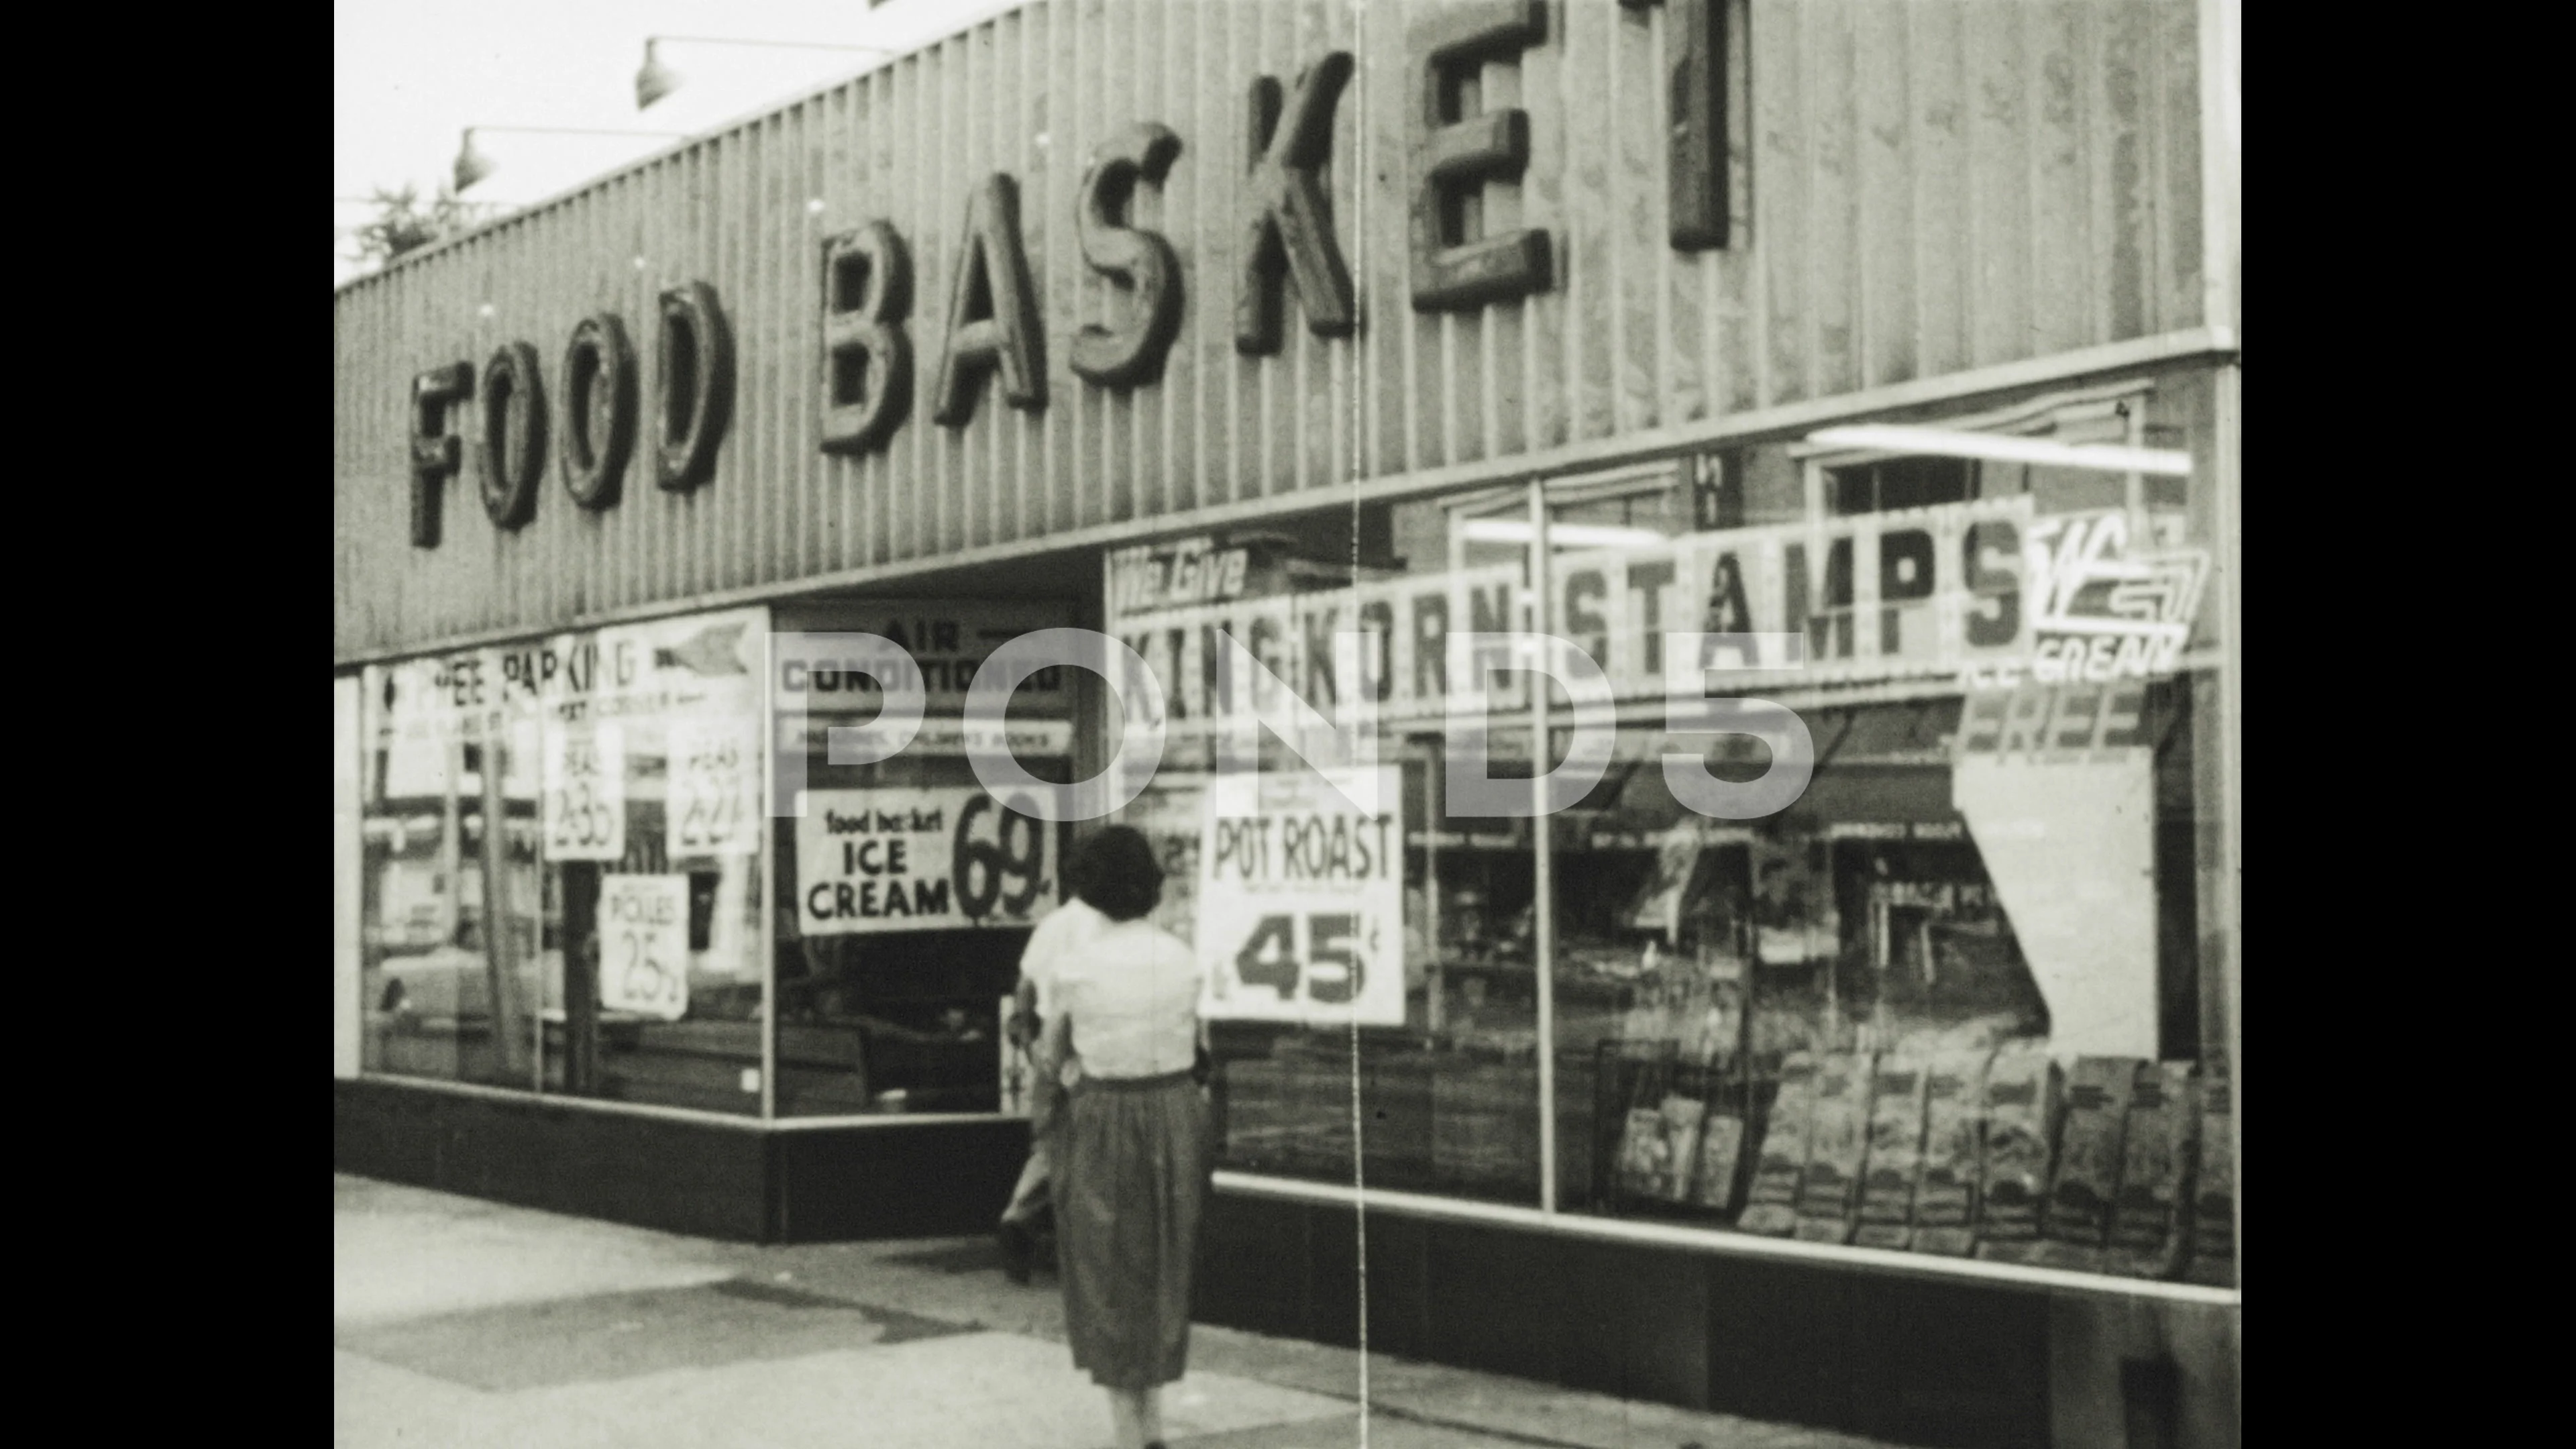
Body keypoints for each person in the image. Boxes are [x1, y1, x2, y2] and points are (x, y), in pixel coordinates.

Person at [1030, 826, 1211, 1449]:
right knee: (1166, 1265)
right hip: (1176, 1113)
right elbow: (1200, 1047)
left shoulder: (1075, 967)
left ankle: (1127, 1430)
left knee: (1107, 1271)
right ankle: (1155, 1420)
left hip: (1104, 1116)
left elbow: (1052, 1058)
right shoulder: (1182, 957)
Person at [996, 877, 1109, 1281]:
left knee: (1051, 1136)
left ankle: (1020, 1214)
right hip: (1090, 1035)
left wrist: (1027, 1036)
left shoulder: (1052, 923)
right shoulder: (1109, 924)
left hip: (1049, 1038)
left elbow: (1024, 984)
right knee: (1094, 1136)